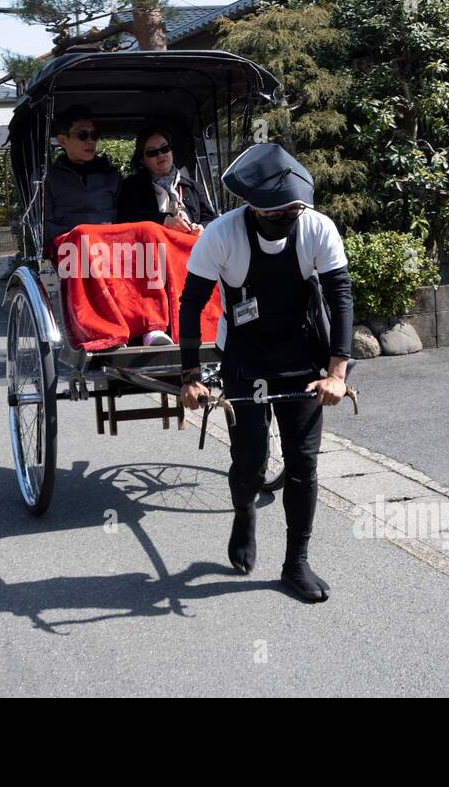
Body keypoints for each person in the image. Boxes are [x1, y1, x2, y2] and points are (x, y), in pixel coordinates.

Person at [177, 143, 354, 604]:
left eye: (294, 209)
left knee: (303, 463)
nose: (287, 217)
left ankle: (296, 562)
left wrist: (337, 371)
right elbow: (191, 304)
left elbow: (340, 299)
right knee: (250, 462)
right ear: (253, 208)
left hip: (302, 357)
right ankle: (244, 512)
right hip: (245, 357)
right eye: (277, 211)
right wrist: (190, 375)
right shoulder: (220, 235)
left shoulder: (318, 227)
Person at [43, 105, 122, 248]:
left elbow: (126, 215)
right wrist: (80, 234)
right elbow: (44, 227)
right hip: (69, 251)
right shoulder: (48, 179)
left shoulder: (111, 175)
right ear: (63, 141)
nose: (90, 141)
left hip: (111, 247)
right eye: (82, 135)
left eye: (94, 135)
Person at [117, 123, 217, 234]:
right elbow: (126, 217)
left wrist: (201, 228)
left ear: (171, 151)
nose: (160, 155)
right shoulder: (132, 187)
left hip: (191, 248)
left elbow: (211, 219)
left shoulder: (193, 187)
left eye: (165, 149)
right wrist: (163, 220)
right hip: (152, 249)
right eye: (152, 152)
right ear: (142, 160)